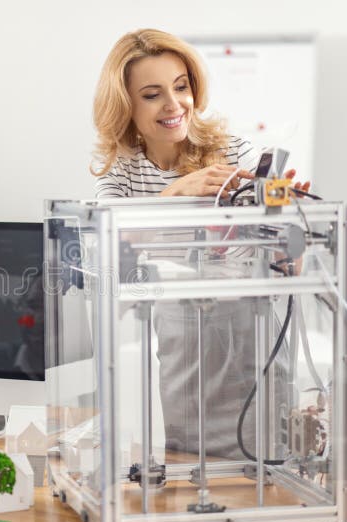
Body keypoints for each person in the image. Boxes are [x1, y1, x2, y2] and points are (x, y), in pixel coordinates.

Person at [91, 29, 305, 458]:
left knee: (266, 459)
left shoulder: (233, 152)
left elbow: (289, 269)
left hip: (253, 331)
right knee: (190, 461)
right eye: (152, 94)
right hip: (182, 340)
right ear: (125, 105)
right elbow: (106, 242)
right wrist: (177, 192)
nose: (174, 105)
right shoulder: (123, 175)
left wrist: (288, 228)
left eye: (181, 86)